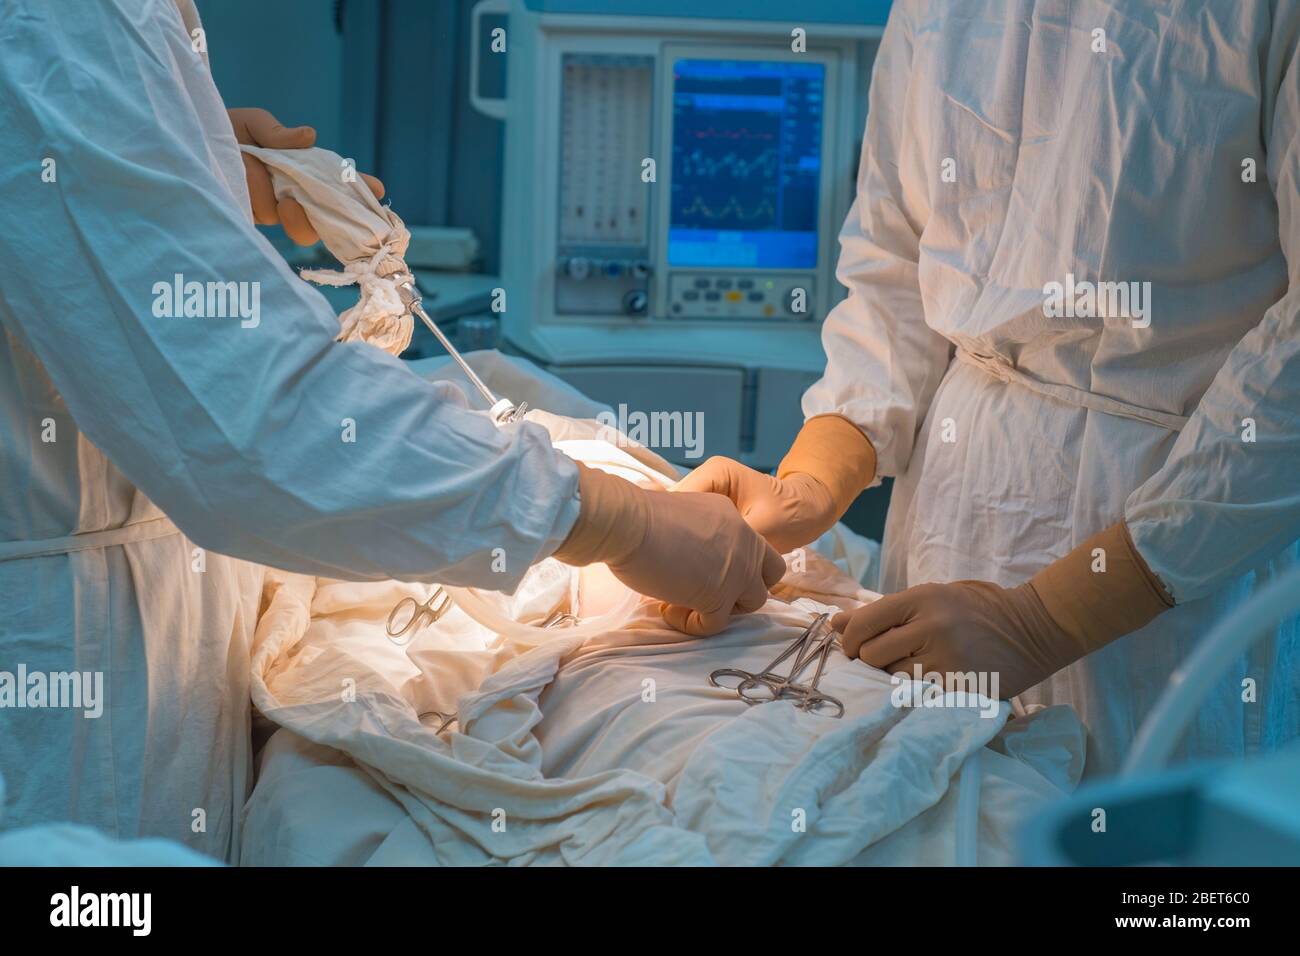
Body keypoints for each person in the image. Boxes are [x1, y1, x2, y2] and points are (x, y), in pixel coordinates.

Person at [0, 0, 781, 859]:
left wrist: (190, 149)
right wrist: (615, 519)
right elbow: (263, 428)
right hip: (62, 689)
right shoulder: (59, 19)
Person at [681, 0, 1300, 775]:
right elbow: (896, 260)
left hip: (1170, 556)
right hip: (950, 509)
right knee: (928, 813)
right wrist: (811, 481)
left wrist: (1048, 619)